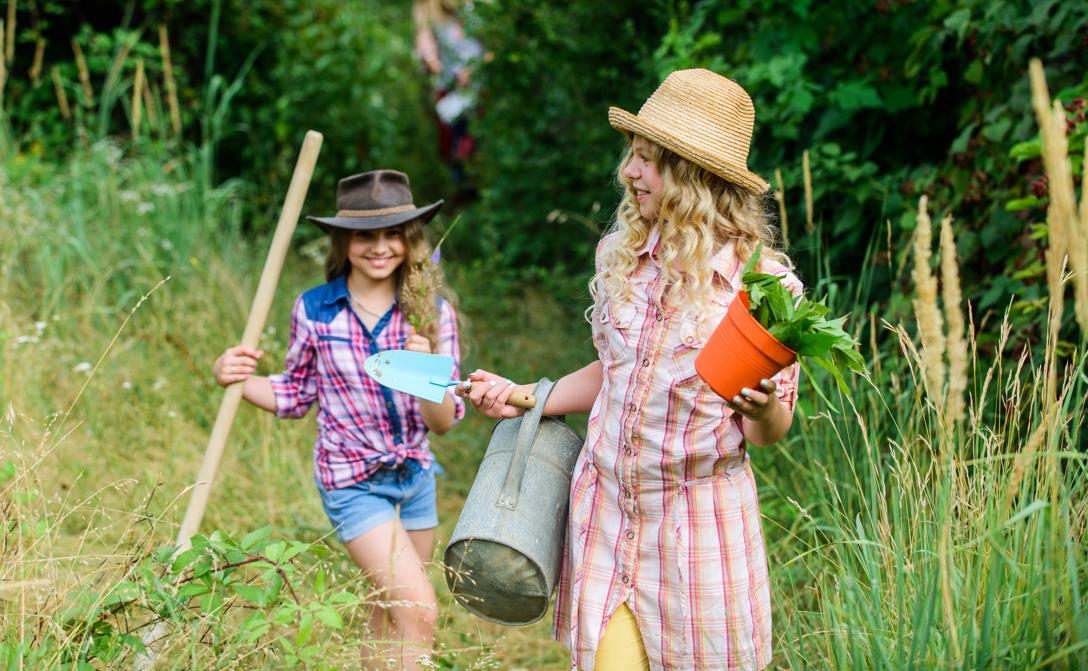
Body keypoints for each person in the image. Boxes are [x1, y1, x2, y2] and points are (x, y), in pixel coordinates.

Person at [456, 69, 800, 670]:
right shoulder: (627, 259)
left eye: (647, 161)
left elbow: (770, 431)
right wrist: (523, 396)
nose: (629, 173)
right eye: (632, 157)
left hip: (697, 531)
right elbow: (613, 374)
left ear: (694, 179)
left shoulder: (762, 288)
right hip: (608, 515)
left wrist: (764, 407)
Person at [212, 170, 464, 670]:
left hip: (414, 478)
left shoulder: (428, 314)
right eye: (364, 235)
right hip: (351, 481)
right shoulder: (316, 310)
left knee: (388, 613)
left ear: (409, 239)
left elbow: (443, 423)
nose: (380, 247)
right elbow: (295, 394)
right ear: (343, 241)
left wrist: (426, 372)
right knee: (419, 613)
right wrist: (234, 379)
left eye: (392, 233)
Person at [412, 0, 485, 184]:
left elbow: (492, 44)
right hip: (451, 87)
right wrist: (430, 59)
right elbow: (424, 39)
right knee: (454, 137)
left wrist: (474, 70)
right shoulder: (429, 11)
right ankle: (463, 185)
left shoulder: (474, 8)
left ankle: (476, 183)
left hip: (479, 86)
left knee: (473, 137)